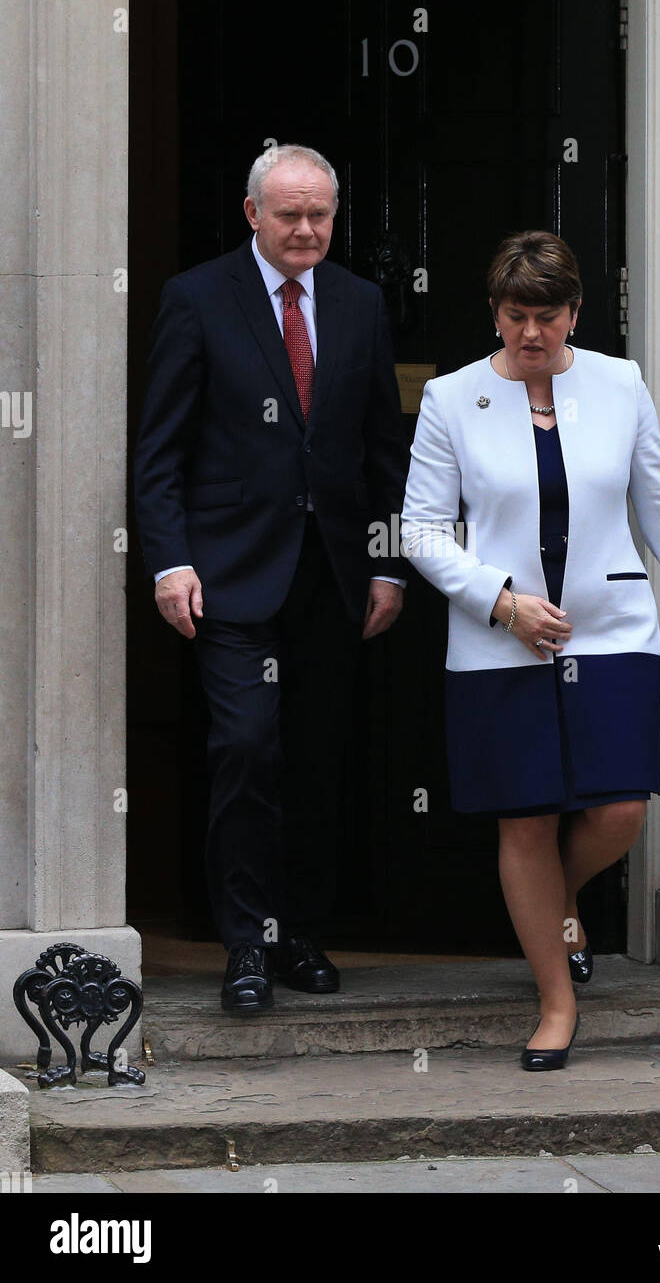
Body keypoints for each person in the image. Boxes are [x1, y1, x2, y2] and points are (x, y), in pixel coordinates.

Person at [400, 231, 660, 1070]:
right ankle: (556, 1000)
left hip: (614, 628)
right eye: (515, 317)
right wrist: (499, 602)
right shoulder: (451, 399)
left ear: (574, 314)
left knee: (620, 807)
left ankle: (563, 899)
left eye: (546, 318)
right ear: (496, 313)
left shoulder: (618, 384)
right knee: (526, 820)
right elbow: (421, 531)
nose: (530, 334)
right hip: (499, 641)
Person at [134, 143, 408, 1013]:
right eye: (288, 214)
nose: (305, 230)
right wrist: (170, 560)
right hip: (229, 577)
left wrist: (387, 559)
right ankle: (245, 943)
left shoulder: (360, 303)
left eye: (319, 214)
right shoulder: (198, 297)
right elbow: (159, 447)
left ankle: (299, 935)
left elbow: (379, 448)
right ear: (253, 213)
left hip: (330, 575)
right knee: (246, 750)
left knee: (316, 761)